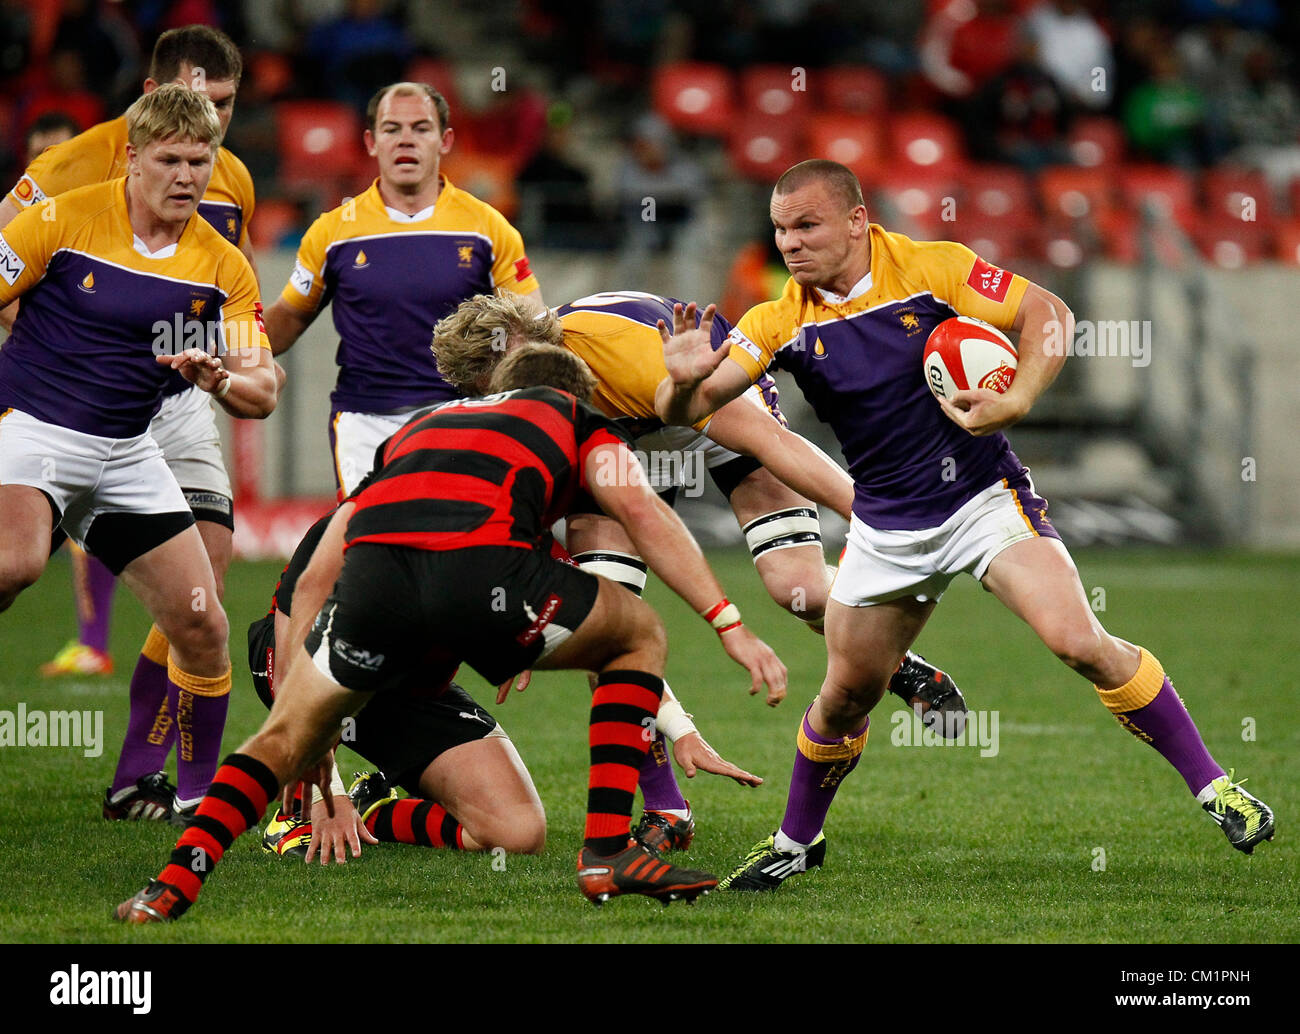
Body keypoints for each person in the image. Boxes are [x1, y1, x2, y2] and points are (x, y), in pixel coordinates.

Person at [654, 158, 1275, 890]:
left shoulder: (932, 269)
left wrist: (1019, 400)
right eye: (781, 228)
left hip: (983, 503)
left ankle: (1215, 789)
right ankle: (796, 841)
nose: (790, 243)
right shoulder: (779, 318)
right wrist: (681, 380)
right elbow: (690, 411)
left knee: (1079, 641)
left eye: (807, 225)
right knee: (847, 694)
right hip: (885, 527)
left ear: (857, 220)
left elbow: (1050, 313)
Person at [115, 343, 785, 922]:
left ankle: (170, 887)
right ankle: (608, 853)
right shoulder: (578, 420)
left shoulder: (418, 432)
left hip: (374, 591)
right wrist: (730, 623)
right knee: (637, 630)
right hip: (470, 580)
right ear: (575, 395)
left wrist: (308, 727)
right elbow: (642, 511)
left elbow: (321, 571)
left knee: (287, 743)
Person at [434, 291, 970, 853]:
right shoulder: (518, 410)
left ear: (540, 338)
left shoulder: (625, 355)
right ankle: (668, 810)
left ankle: (899, 664)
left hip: (697, 400)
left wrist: (884, 519)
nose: (526, 394)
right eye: (507, 390)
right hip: (620, 443)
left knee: (801, 591)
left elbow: (769, 440)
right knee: (604, 639)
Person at [0, 25, 260, 826]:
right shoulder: (59, 214)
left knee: (201, 620)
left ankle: (191, 801)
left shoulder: (224, 264)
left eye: (201, 160)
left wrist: (230, 377)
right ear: (136, 158)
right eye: (172, 160)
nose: (189, 176)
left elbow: (263, 383)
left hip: (129, 449)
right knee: (11, 566)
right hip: (36, 428)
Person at [248, 498, 761, 863]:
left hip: (410, 690)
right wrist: (324, 796)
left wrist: (680, 728)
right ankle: (295, 812)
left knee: (516, 834)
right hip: (307, 671)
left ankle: (376, 811)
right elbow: (297, 657)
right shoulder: (370, 519)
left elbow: (615, 644)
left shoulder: (522, 537)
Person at [263, 80, 543, 499]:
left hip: (459, 417)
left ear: (445, 140)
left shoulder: (488, 227)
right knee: (370, 551)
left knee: (451, 551)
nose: (406, 140)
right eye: (392, 129)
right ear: (371, 142)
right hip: (364, 420)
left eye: (421, 128)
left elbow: (531, 326)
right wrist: (226, 344)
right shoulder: (332, 232)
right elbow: (288, 318)